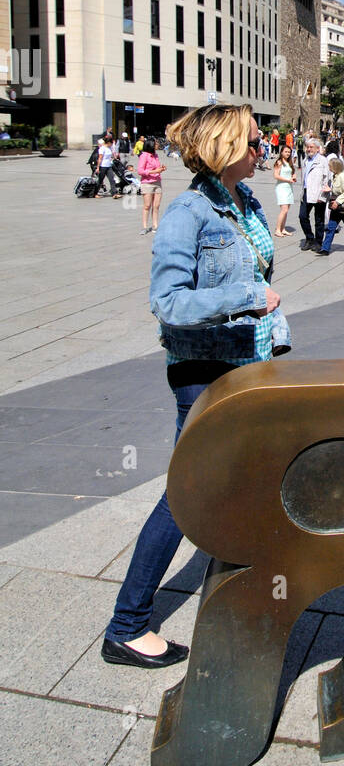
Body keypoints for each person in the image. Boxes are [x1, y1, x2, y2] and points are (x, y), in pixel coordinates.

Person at [101, 103, 290, 668]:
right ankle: (127, 625)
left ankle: (246, 591)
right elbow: (168, 303)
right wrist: (246, 301)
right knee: (185, 498)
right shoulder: (189, 212)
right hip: (202, 373)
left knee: (237, 483)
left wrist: (273, 336)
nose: (268, 150)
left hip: (245, 365)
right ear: (227, 148)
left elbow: (259, 277)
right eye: (257, 143)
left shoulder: (244, 201)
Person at [298, 136, 328, 251]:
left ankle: (318, 242)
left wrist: (322, 196)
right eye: (307, 147)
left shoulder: (323, 160)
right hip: (306, 192)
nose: (308, 149)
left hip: (318, 192)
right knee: (302, 216)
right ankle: (309, 238)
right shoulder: (305, 160)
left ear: (317, 148)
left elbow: (327, 178)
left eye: (311, 147)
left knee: (319, 219)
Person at [137, 136, 166, 235]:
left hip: (157, 182)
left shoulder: (156, 155)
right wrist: (154, 171)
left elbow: (157, 167)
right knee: (147, 205)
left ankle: (155, 225)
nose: (157, 145)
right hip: (147, 183)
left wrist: (161, 169)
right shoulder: (144, 155)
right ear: (151, 145)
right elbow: (140, 171)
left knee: (156, 205)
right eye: (156, 144)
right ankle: (144, 226)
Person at [273, 144, 297, 236]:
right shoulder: (279, 162)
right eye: (286, 152)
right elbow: (276, 175)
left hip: (289, 187)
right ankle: (278, 229)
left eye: (289, 152)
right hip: (281, 187)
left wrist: (293, 176)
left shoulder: (289, 163)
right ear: (281, 152)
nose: (287, 153)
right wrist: (288, 180)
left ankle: (283, 228)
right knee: (284, 210)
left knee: (287, 209)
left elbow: (290, 174)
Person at [95, 132, 122, 198]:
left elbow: (111, 156)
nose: (112, 144)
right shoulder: (102, 148)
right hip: (103, 166)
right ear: (108, 143)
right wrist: (98, 167)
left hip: (109, 166)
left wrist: (114, 158)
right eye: (111, 143)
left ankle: (114, 193)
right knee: (100, 180)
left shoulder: (109, 148)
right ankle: (95, 193)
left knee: (112, 179)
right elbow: (100, 158)